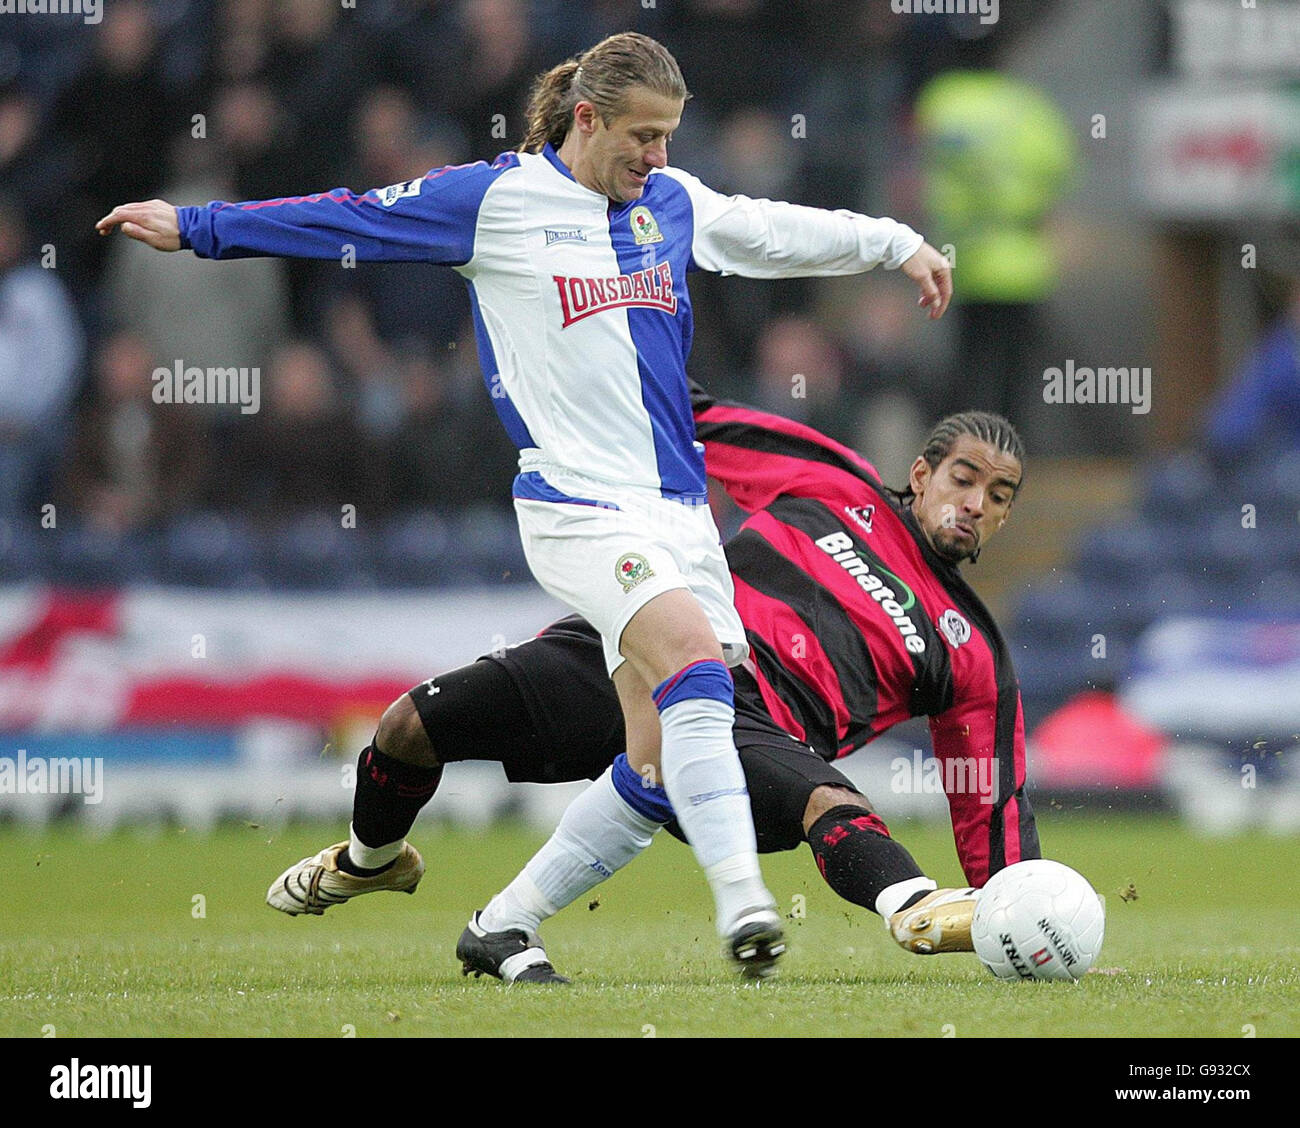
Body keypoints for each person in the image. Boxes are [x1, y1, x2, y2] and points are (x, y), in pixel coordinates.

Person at [95, 32, 952, 978]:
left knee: (657, 765)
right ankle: (745, 907)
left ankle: (502, 923)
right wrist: (200, 227)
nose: (660, 157)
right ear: (586, 119)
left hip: (679, 514)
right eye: (643, 135)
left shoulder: (669, 201)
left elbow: (770, 230)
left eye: (669, 136)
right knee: (697, 673)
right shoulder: (496, 201)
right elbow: (352, 218)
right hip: (576, 506)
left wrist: (894, 243)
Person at [265, 382, 1037, 983]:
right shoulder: (832, 480)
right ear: (921, 472)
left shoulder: (973, 653)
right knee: (410, 725)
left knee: (832, 804)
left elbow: (991, 803)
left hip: (759, 733)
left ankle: (913, 907)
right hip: (656, 638)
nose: (974, 505)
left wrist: (1021, 915)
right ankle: (372, 863)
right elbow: (684, 407)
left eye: (998, 498)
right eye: (964, 480)